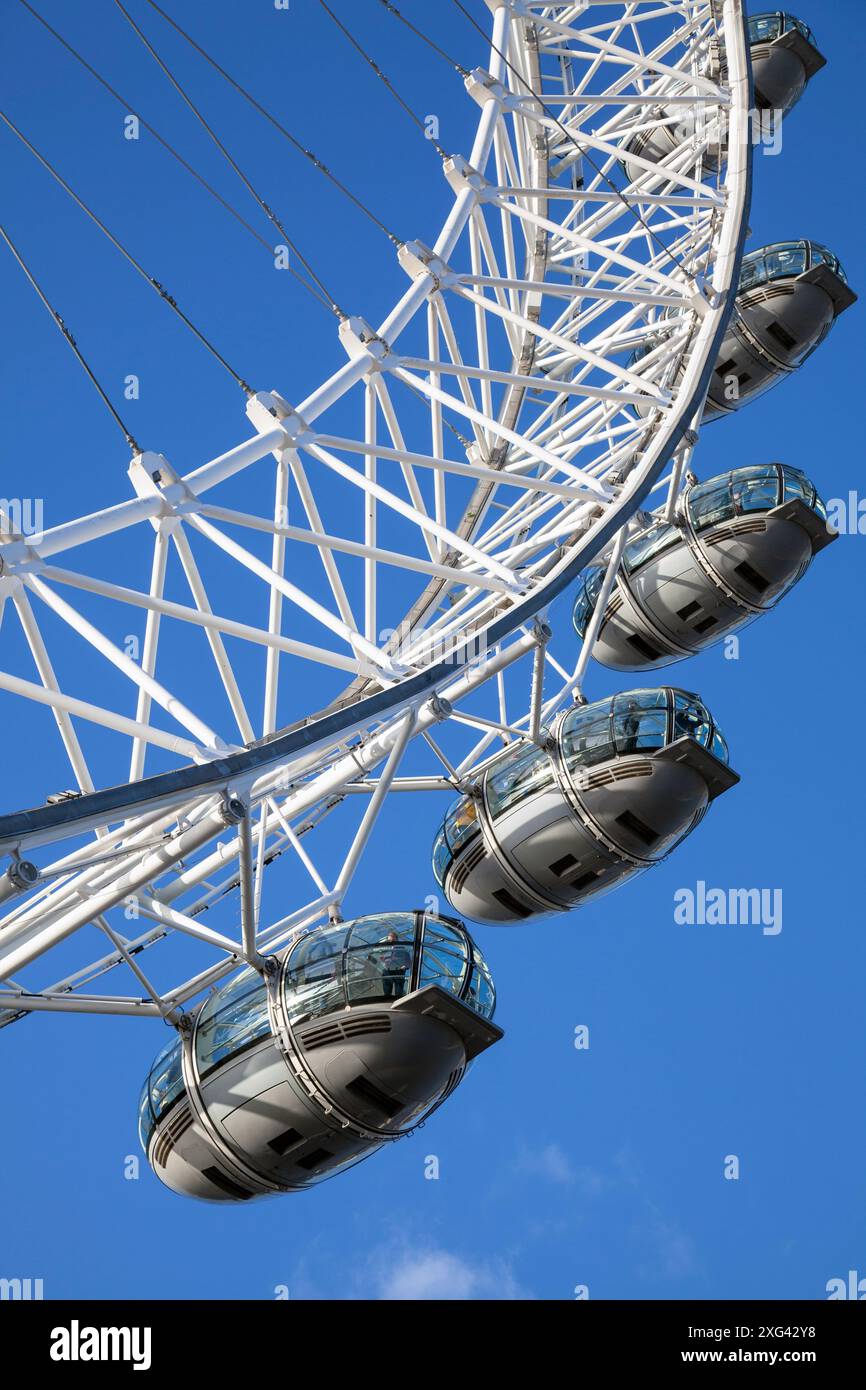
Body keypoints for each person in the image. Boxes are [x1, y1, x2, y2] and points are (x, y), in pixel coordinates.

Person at [380, 929, 412, 999]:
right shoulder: (386, 949)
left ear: (396, 939)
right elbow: (382, 958)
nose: (390, 942)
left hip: (398, 971)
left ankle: (398, 1001)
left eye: (392, 940)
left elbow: (409, 962)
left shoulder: (402, 949)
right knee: (387, 992)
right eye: (389, 941)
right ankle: (387, 1000)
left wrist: (405, 966)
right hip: (387, 971)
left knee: (398, 993)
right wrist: (383, 960)